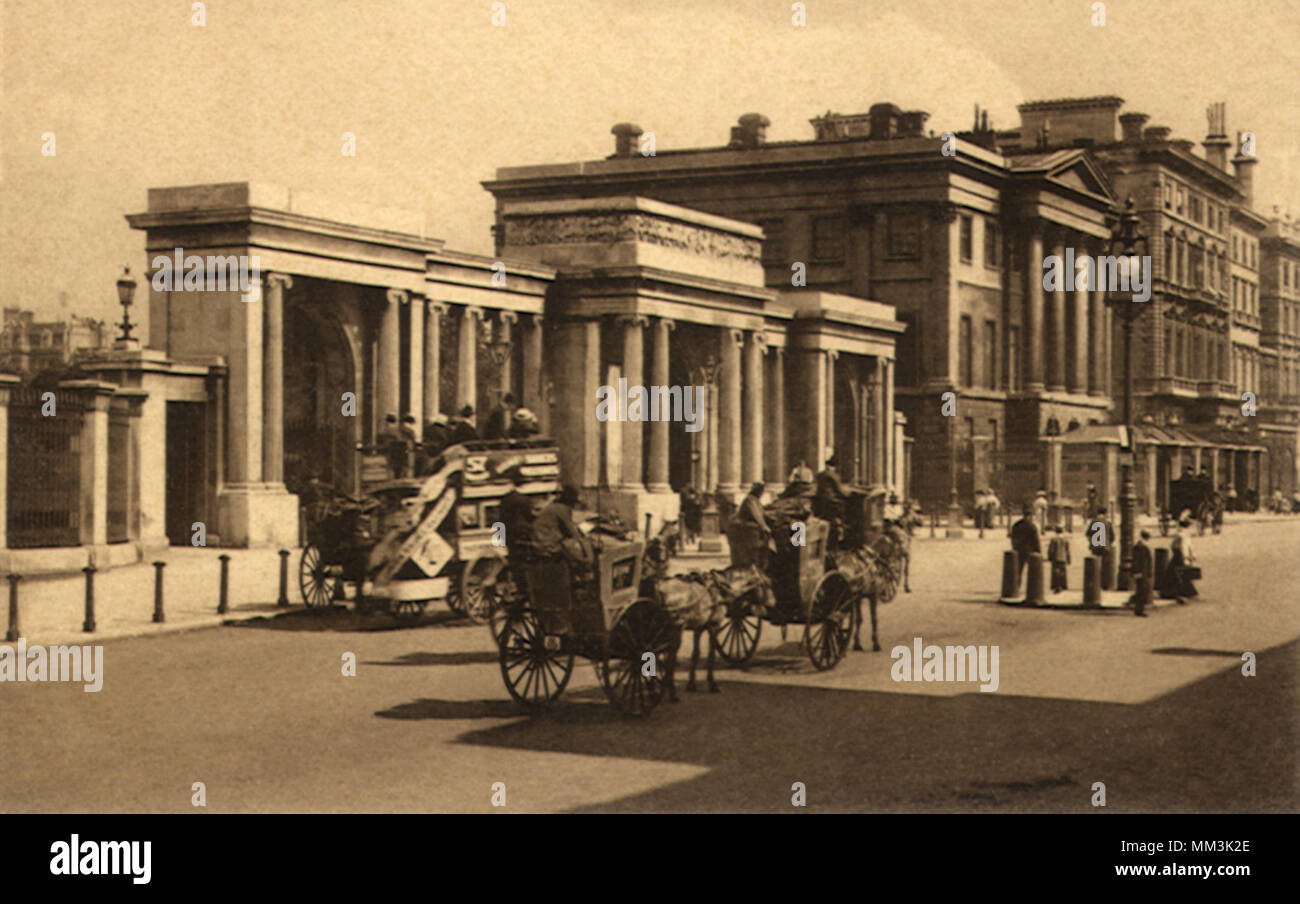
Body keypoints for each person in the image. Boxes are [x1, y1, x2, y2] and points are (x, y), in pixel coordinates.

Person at [533, 484, 592, 569]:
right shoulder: (562, 509)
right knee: (574, 548)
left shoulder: (553, 506)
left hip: (538, 537)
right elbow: (571, 529)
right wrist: (582, 540)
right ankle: (584, 567)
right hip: (547, 539)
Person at [732, 481, 775, 566]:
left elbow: (762, 513)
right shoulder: (750, 499)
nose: (761, 493)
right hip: (747, 530)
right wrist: (765, 527)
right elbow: (757, 515)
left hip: (752, 529)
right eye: (760, 491)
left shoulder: (755, 500)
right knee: (754, 552)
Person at [1010, 505, 1041, 587]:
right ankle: (1033, 589)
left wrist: (1014, 547)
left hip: (1019, 551)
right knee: (1033, 572)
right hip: (1030, 552)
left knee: (1018, 571)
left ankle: (1016, 587)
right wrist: (1038, 551)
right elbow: (1036, 540)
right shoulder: (1032, 526)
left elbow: (1013, 538)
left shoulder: (1017, 525)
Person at [1167, 517, 1197, 602]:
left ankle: (1177, 591)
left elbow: (1172, 546)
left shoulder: (1180, 534)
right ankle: (1185, 592)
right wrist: (1187, 557)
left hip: (1178, 555)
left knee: (1175, 573)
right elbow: (1185, 547)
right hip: (1181, 556)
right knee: (1182, 574)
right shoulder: (1184, 535)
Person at [1129, 530, 1153, 617]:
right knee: (1142, 591)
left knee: (1140, 590)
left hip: (1140, 572)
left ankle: (1137, 607)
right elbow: (1143, 562)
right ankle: (1139, 609)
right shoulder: (1142, 547)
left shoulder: (1138, 546)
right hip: (1142, 572)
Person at [379, 413, 406, 478]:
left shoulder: (388, 429)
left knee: (391, 466)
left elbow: (382, 437)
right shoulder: (397, 429)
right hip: (398, 450)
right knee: (397, 467)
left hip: (391, 449)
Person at [1047, 526, 1070, 592]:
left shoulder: (1053, 539)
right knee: (1063, 572)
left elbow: (1051, 549)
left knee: (1055, 572)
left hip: (1056, 557)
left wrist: (1050, 557)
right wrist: (1068, 559)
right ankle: (1063, 585)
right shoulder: (1065, 539)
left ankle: (1056, 585)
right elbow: (1067, 550)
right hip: (1063, 558)